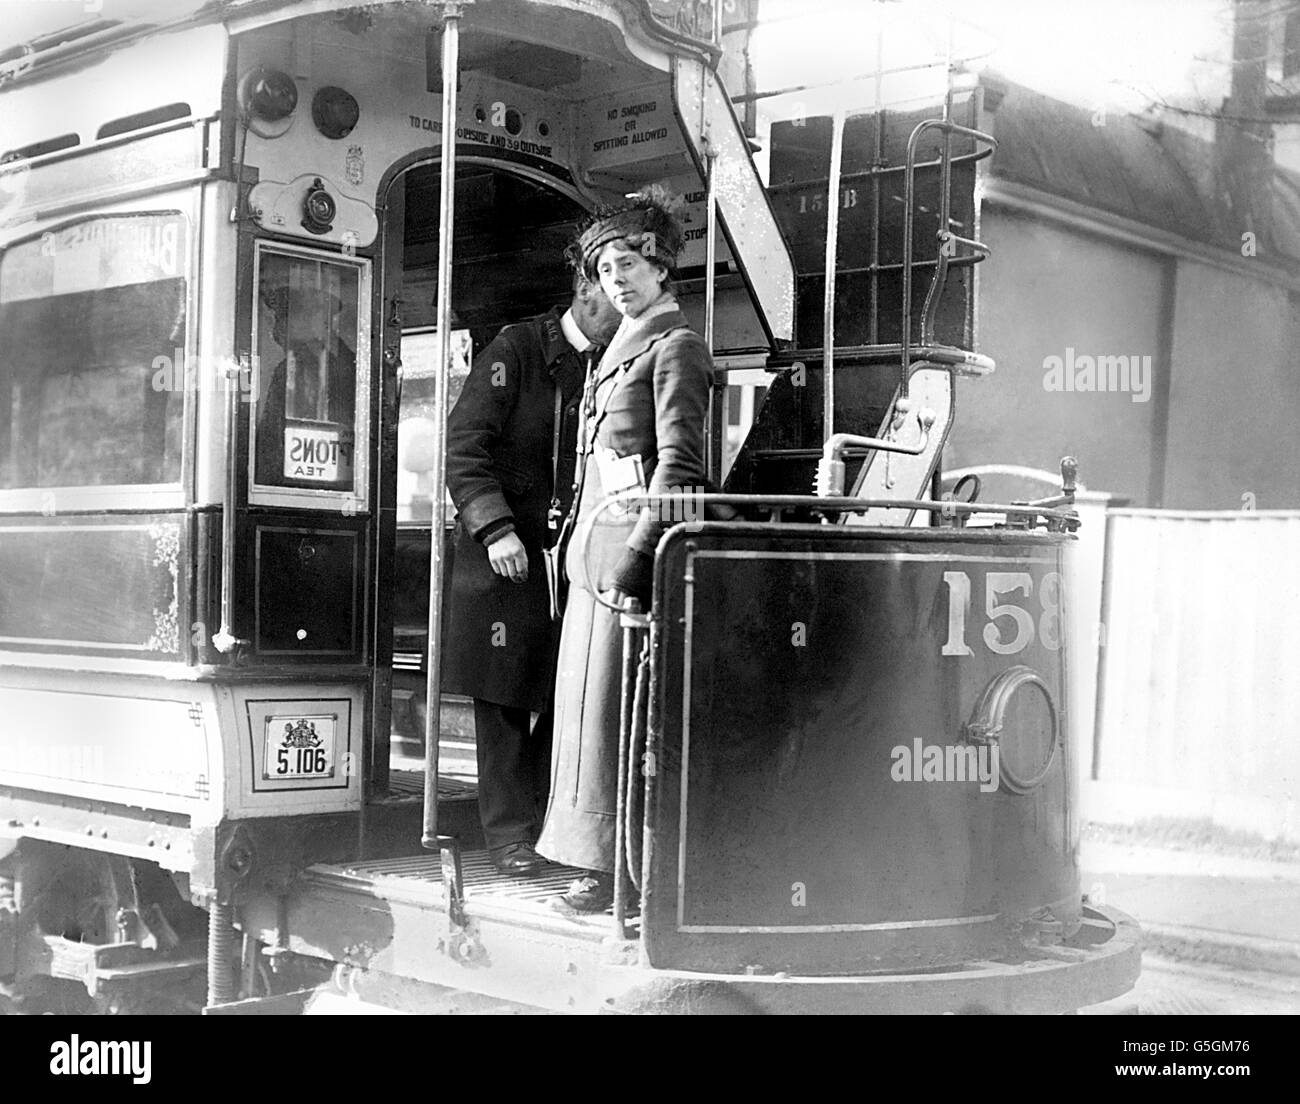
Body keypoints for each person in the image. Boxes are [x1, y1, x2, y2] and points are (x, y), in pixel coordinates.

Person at [536, 190, 712, 911]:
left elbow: (682, 467)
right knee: (588, 715)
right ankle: (592, 860)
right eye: (607, 268)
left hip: (626, 557)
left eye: (631, 264)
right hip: (595, 553)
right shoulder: (624, 345)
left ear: (663, 268)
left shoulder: (676, 348)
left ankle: (618, 872)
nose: (618, 279)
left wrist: (641, 558)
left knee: (615, 714)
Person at [443, 269, 621, 876]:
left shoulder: (608, 365)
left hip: (568, 557)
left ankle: (543, 823)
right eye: (615, 300)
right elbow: (465, 448)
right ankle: (507, 836)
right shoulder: (516, 351)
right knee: (503, 699)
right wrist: (495, 529)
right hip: (505, 560)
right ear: (586, 293)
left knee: (563, 693)